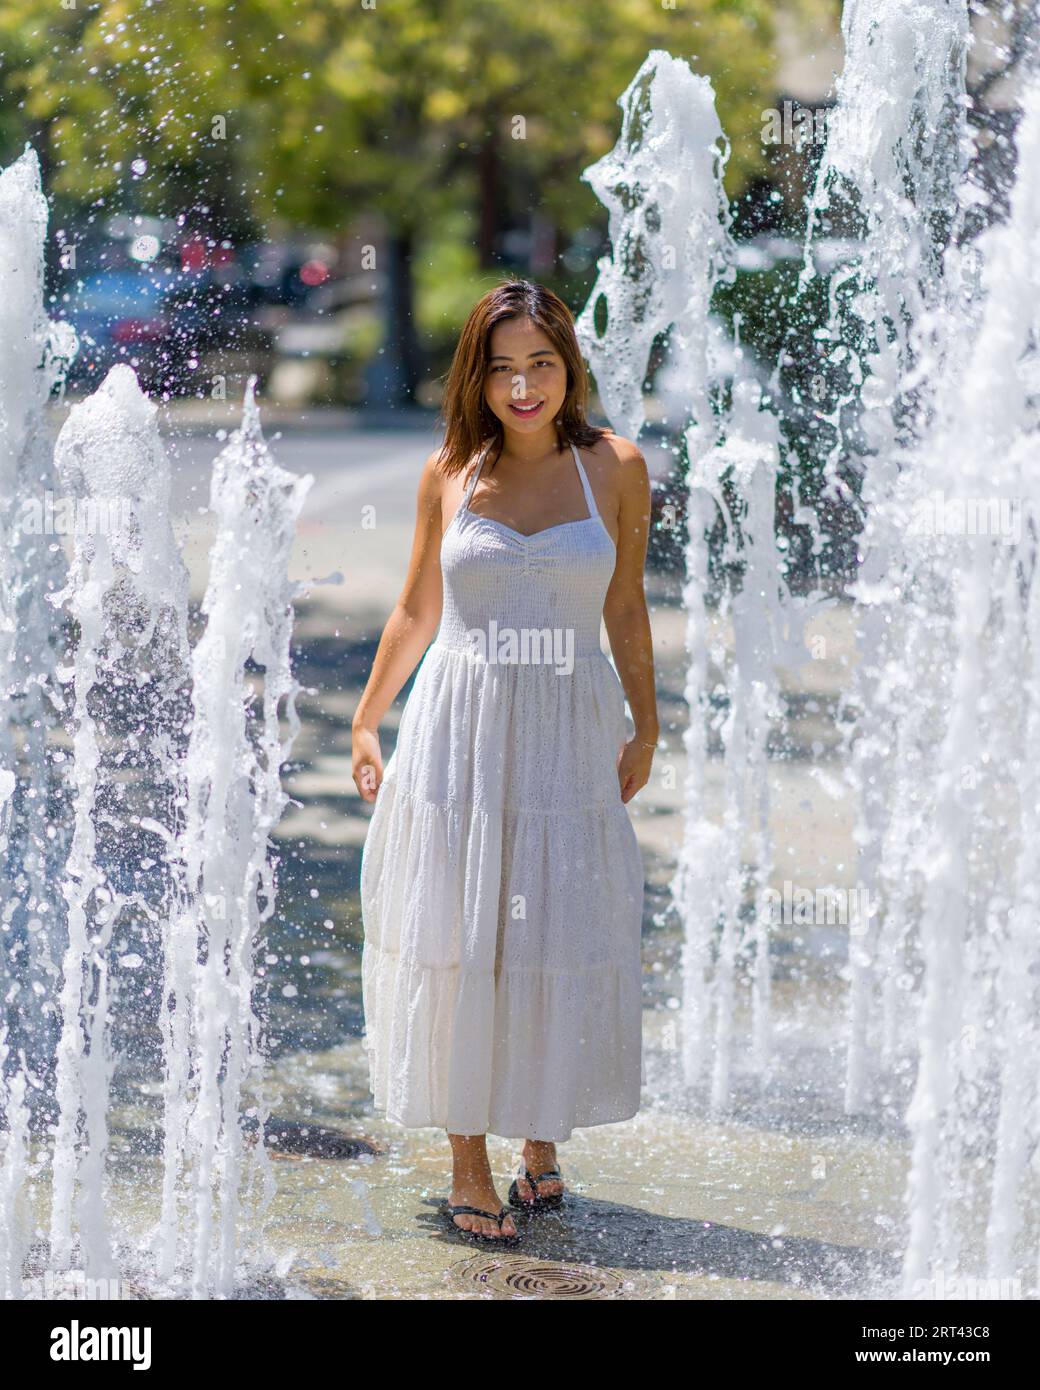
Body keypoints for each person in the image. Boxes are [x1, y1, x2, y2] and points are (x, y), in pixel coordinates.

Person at [352, 277, 658, 1244]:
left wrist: (645, 725)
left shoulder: (616, 467)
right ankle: (468, 1162)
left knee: (555, 924)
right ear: (475, 380)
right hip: (462, 722)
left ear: (568, 366)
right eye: (501, 370)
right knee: (462, 929)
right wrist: (366, 722)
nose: (522, 387)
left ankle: (541, 1131)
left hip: (568, 719)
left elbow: (625, 607)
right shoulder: (448, 469)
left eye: (541, 364)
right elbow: (414, 610)